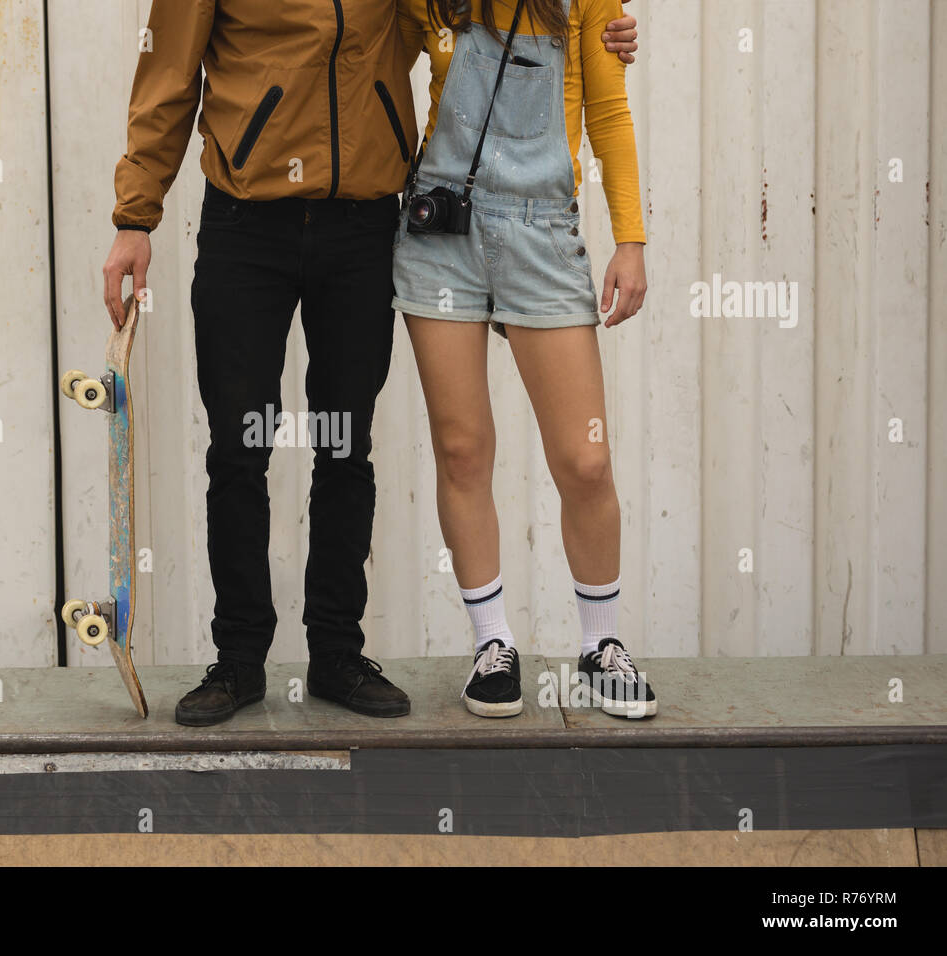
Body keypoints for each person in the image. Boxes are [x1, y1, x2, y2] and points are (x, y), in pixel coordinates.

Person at [102, 0, 640, 727]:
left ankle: (337, 655)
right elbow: (167, 74)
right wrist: (136, 218)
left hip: (364, 227)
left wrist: (604, 27)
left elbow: (505, 46)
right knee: (238, 450)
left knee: (346, 447)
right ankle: (238, 662)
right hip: (246, 226)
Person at [393, 0, 656, 719]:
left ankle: (601, 642)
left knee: (586, 460)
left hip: (543, 237)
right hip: (439, 232)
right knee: (462, 450)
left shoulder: (586, 6)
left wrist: (629, 239)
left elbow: (608, 114)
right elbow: (362, 58)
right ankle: (492, 643)